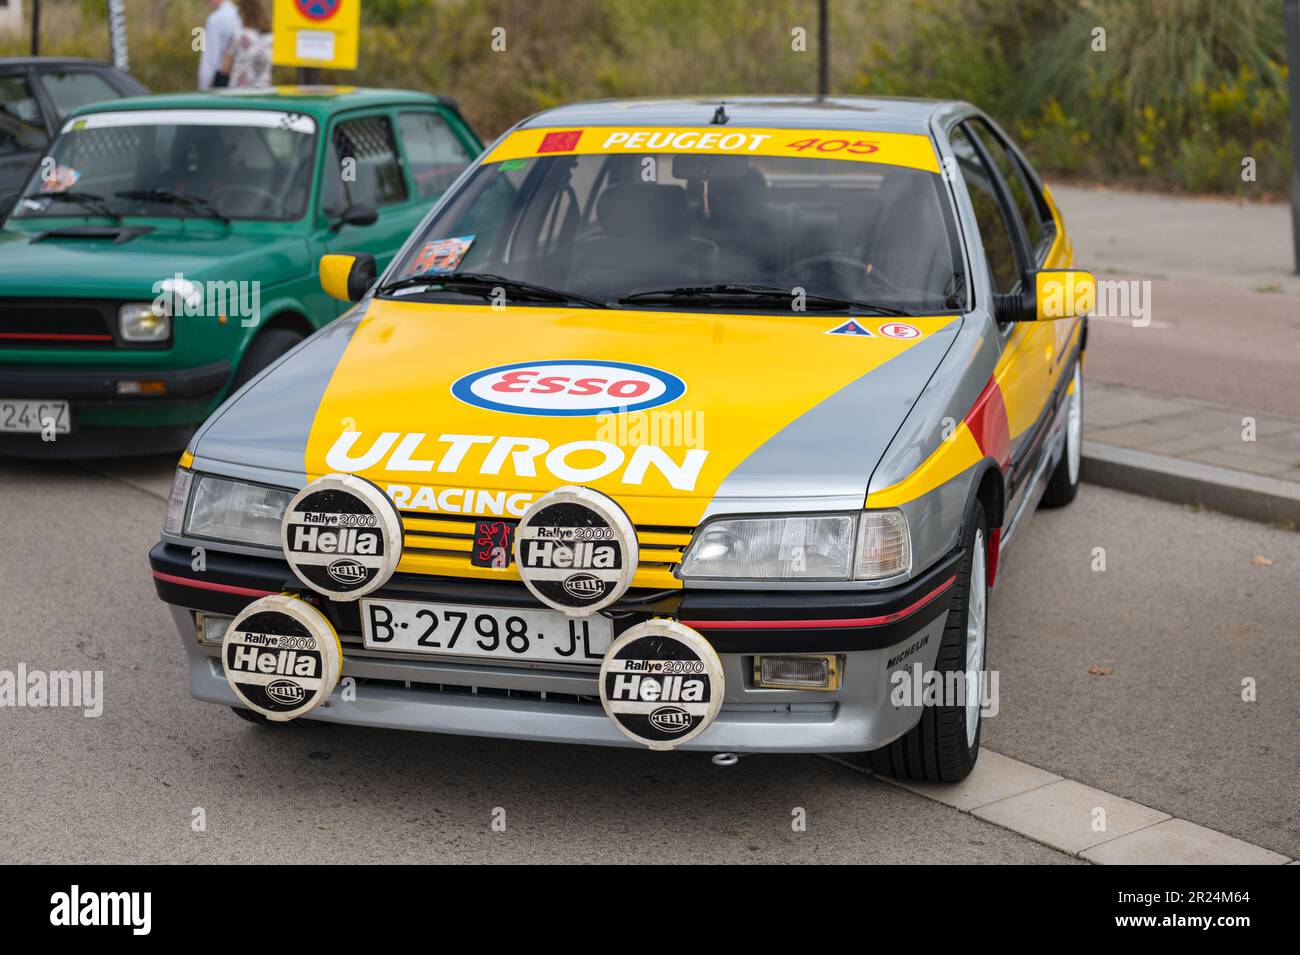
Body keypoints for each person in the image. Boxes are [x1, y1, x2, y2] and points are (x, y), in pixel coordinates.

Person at [223, 0, 274, 89]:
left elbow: (225, 67)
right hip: (263, 91)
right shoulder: (271, 38)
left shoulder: (237, 36)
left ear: (244, 13)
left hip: (239, 92)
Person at [198, 0, 241, 90]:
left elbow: (210, 60)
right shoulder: (241, 15)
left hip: (223, 81)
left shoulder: (215, 19)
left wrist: (203, 87)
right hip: (242, 82)